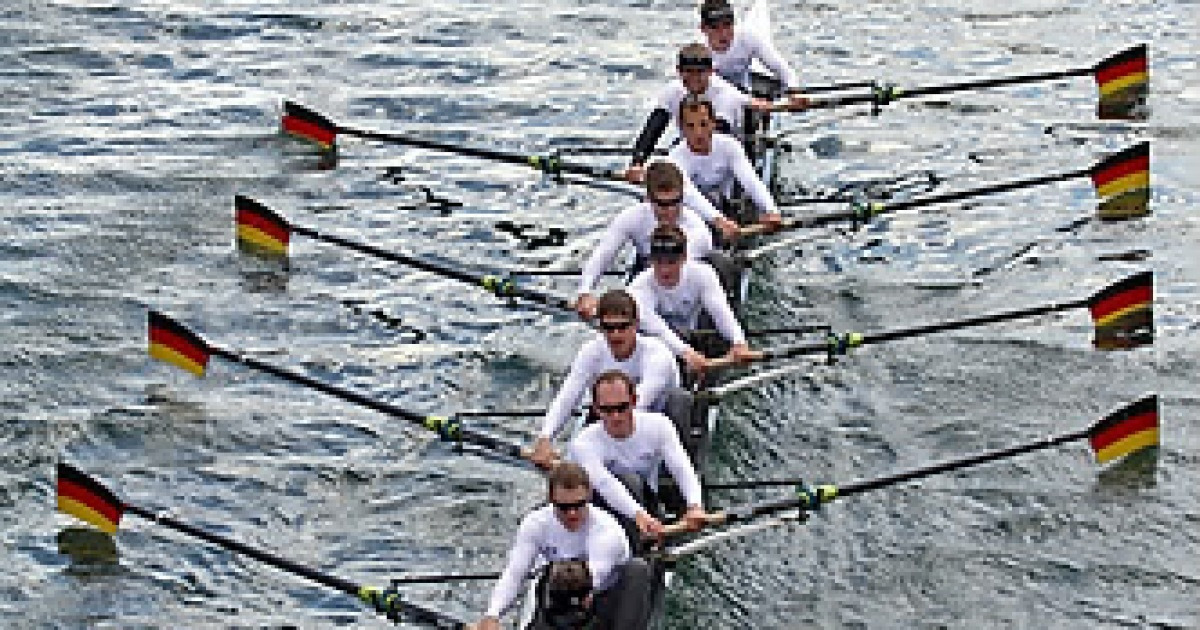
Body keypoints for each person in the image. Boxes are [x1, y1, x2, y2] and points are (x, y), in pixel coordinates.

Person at [473, 462, 652, 630]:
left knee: (637, 569)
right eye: (564, 507)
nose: (572, 514)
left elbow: (592, 579)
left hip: (604, 598)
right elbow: (515, 574)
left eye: (579, 505)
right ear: (551, 499)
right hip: (560, 598)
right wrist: (492, 616)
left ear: (589, 495)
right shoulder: (535, 524)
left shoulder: (607, 532)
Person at [530, 290, 680, 468]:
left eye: (623, 327)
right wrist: (545, 437)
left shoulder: (657, 356)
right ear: (600, 327)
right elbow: (568, 395)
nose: (615, 335)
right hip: (612, 418)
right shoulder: (591, 352)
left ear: (636, 325)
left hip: (657, 422)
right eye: (608, 328)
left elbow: (636, 405)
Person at [568, 370, 714, 542]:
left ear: (634, 401)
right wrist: (638, 515)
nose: (615, 417)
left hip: (645, 501)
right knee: (629, 481)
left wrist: (695, 505)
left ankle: (646, 539)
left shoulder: (659, 425)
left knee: (634, 483)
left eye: (621, 408)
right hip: (600, 511)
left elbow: (682, 467)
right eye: (606, 409)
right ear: (596, 409)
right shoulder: (583, 443)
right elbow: (605, 484)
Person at [576, 161, 732, 319]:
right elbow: (604, 253)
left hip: (684, 281)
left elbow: (667, 271)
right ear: (649, 198)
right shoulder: (632, 217)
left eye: (674, 202)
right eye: (662, 204)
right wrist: (585, 292)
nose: (669, 211)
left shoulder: (697, 231)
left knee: (717, 264)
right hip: (650, 276)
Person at [627, 43, 775, 180]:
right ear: (679, 71)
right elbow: (653, 129)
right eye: (688, 72)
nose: (694, 78)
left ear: (711, 71)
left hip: (728, 152)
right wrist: (637, 164)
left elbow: (716, 135)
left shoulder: (726, 94)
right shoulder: (672, 91)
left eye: (700, 72)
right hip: (692, 148)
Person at [629, 224, 760, 374]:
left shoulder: (702, 274)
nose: (665, 270)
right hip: (661, 344)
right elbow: (658, 330)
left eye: (671, 262)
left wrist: (739, 343)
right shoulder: (638, 289)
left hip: (695, 333)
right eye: (659, 262)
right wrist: (687, 353)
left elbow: (721, 313)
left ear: (684, 258)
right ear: (650, 260)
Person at [669, 94, 782, 227]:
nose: (698, 133)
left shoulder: (729, 145)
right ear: (681, 128)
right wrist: (718, 220)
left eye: (703, 124)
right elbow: (690, 195)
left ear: (713, 124)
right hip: (694, 214)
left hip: (726, 204)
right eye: (690, 126)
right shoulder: (675, 160)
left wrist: (771, 210)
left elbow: (750, 180)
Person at [699, 0, 808, 111]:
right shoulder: (700, 53)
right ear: (703, 28)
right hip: (716, 97)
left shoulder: (747, 37)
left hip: (746, 92)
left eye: (728, 25)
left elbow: (785, 71)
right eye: (715, 27)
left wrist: (794, 93)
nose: (723, 34)